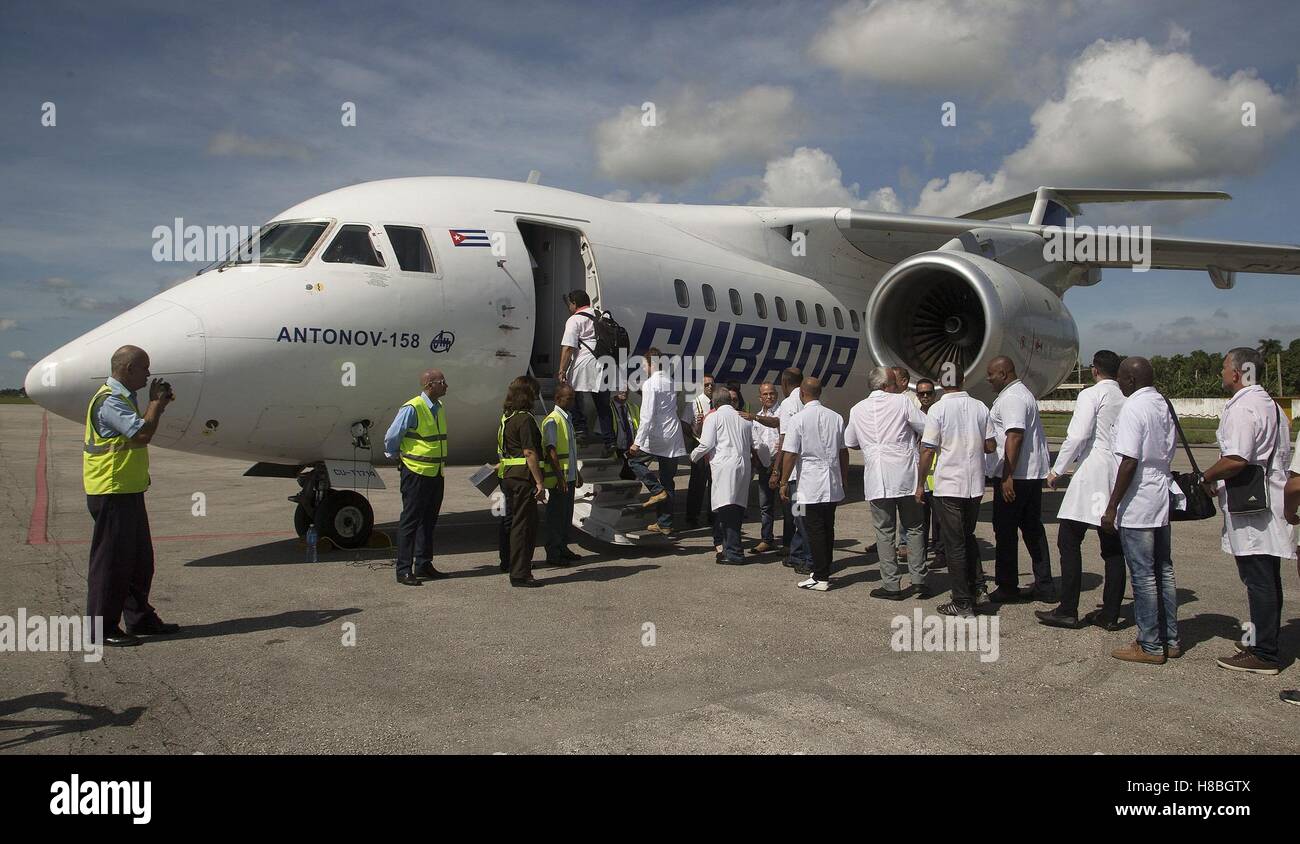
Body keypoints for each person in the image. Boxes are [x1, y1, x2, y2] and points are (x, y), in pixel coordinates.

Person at [1200, 347, 1293, 675]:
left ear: (1238, 373)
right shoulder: (1269, 404)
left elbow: (1236, 459)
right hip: (1270, 498)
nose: (1222, 372)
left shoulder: (1243, 409)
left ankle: (1265, 653)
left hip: (1252, 505)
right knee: (1267, 575)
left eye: (1225, 366)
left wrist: (1206, 476)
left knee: (1258, 578)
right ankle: (1262, 639)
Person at [82, 345, 180, 646]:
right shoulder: (110, 401)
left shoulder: (124, 398)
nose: (148, 373)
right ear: (127, 369)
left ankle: (140, 618)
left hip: (128, 490)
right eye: (144, 368)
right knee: (112, 563)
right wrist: (155, 404)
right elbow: (141, 434)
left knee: (139, 560)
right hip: (112, 491)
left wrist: (156, 405)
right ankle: (103, 629)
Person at [1038, 351, 1126, 630]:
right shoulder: (1125, 397)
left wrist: (1057, 470)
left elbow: (1077, 435)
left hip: (1093, 469)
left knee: (1069, 540)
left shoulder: (1091, 395)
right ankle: (1110, 613)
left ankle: (1068, 608)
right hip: (1118, 471)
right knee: (1112, 547)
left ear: (1094, 370)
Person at [1101, 357, 1180, 665]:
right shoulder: (1163, 404)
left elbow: (1130, 460)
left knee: (1144, 575)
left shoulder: (1134, 407)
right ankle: (1169, 639)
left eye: (1121, 378)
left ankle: (1149, 644)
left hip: (1139, 500)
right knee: (1164, 570)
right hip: (1161, 494)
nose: (1119, 383)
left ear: (1131, 381)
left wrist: (1112, 506)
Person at [916, 367, 996, 617]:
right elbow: (991, 445)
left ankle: (962, 601)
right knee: (967, 536)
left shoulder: (938, 409)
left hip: (949, 484)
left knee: (954, 544)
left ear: (940, 382)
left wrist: (920, 483)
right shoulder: (980, 407)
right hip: (974, 486)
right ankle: (979, 589)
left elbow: (928, 449)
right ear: (963, 379)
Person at [846, 366, 930, 600]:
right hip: (905, 474)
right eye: (894, 383)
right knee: (914, 527)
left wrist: (871, 444)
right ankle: (919, 580)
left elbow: (850, 440)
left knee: (884, 532)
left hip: (877, 477)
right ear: (885, 386)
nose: (898, 387)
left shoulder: (857, 409)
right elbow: (926, 427)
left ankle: (891, 585)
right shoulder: (902, 403)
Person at [986, 356, 1054, 603]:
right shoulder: (1020, 393)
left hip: (1017, 476)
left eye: (991, 374)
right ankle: (1045, 585)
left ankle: (1007, 586)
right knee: (1032, 529)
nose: (988, 378)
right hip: (1029, 475)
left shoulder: (1012, 397)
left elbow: (1014, 436)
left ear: (1003, 373)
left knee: (1005, 531)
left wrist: (1007, 476)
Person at [779, 377, 847, 591]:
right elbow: (843, 451)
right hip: (832, 480)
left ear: (802, 394)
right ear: (820, 393)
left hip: (811, 481)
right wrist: (843, 477)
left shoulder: (798, 419)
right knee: (829, 527)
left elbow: (790, 453)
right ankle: (824, 568)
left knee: (814, 528)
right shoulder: (835, 417)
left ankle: (820, 576)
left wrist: (783, 481)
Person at [384, 368, 451, 586]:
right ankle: (403, 569)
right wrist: (397, 457)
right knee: (410, 521)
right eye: (442, 382)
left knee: (429, 521)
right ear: (430, 385)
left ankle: (423, 563)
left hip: (435, 473)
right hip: (415, 473)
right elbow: (393, 436)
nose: (446, 385)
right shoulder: (412, 407)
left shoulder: (439, 408)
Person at [627, 348, 687, 535]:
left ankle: (656, 489)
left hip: (657, 436)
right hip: (673, 436)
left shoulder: (650, 384)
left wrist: (637, 442)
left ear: (651, 363)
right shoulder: (670, 381)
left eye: (644, 364)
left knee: (634, 461)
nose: (643, 368)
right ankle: (665, 523)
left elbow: (647, 416)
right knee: (668, 479)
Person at [692, 392, 754, 564]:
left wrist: (693, 456)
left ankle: (734, 553)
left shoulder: (714, 417)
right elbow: (752, 443)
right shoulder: (744, 417)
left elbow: (705, 444)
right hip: (743, 466)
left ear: (714, 403)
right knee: (738, 508)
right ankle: (727, 549)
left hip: (726, 467)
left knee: (727, 510)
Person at [497, 380, 548, 587]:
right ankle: (520, 573)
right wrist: (539, 482)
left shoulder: (507, 418)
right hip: (523, 478)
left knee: (516, 523)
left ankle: (516, 566)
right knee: (524, 526)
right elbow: (529, 452)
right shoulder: (525, 419)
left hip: (509, 476)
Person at [557, 290, 614, 454]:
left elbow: (568, 347)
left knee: (572, 394)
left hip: (584, 363)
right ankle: (610, 441)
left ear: (574, 303)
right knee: (603, 405)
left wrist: (561, 369)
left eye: (570, 303)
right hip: (605, 363)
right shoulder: (603, 315)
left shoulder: (574, 320)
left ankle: (581, 430)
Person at [772, 367, 811, 572]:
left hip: (795, 473)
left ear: (785, 383)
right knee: (799, 516)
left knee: (800, 516)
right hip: (809, 472)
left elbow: (785, 439)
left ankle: (806, 558)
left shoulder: (788, 404)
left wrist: (778, 471)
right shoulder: (808, 402)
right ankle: (796, 555)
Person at [542, 384, 584, 566]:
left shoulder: (567, 418)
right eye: (569, 398)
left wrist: (577, 473)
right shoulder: (553, 420)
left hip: (570, 476)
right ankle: (553, 553)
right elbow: (551, 450)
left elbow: (570, 451)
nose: (573, 401)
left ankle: (563, 548)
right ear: (558, 399)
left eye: (573, 398)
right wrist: (560, 477)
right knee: (556, 517)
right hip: (559, 479)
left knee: (566, 516)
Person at [749, 382, 781, 554]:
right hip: (764, 466)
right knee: (765, 506)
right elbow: (755, 441)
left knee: (788, 505)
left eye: (772, 393)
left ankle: (791, 541)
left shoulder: (783, 411)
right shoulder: (757, 416)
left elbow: (777, 424)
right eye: (766, 394)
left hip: (781, 464)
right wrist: (757, 461)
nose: (769, 397)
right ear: (760, 397)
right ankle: (766, 539)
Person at [916, 378, 944, 568]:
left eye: (928, 393)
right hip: (921, 476)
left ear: (934, 395)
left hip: (938, 477)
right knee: (920, 520)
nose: (925, 396)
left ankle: (941, 553)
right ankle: (921, 554)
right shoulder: (915, 416)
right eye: (921, 393)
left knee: (940, 522)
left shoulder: (940, 414)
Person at [685, 374, 715, 528]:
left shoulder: (717, 403)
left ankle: (712, 516)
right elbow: (684, 424)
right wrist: (693, 435)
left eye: (711, 384)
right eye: (706, 385)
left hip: (714, 449)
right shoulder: (694, 402)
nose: (710, 387)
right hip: (699, 446)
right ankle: (692, 517)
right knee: (697, 484)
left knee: (714, 484)